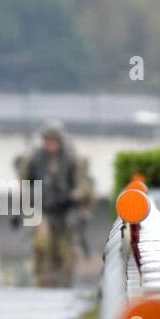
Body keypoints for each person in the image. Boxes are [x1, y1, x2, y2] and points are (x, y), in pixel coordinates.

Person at [16, 121, 93, 287]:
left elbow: (82, 185)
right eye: (47, 141)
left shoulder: (72, 160)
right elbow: (24, 185)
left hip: (65, 210)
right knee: (42, 243)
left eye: (54, 141)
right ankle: (41, 280)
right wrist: (18, 212)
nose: (50, 145)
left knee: (65, 252)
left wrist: (72, 199)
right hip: (42, 209)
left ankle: (64, 285)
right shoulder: (35, 159)